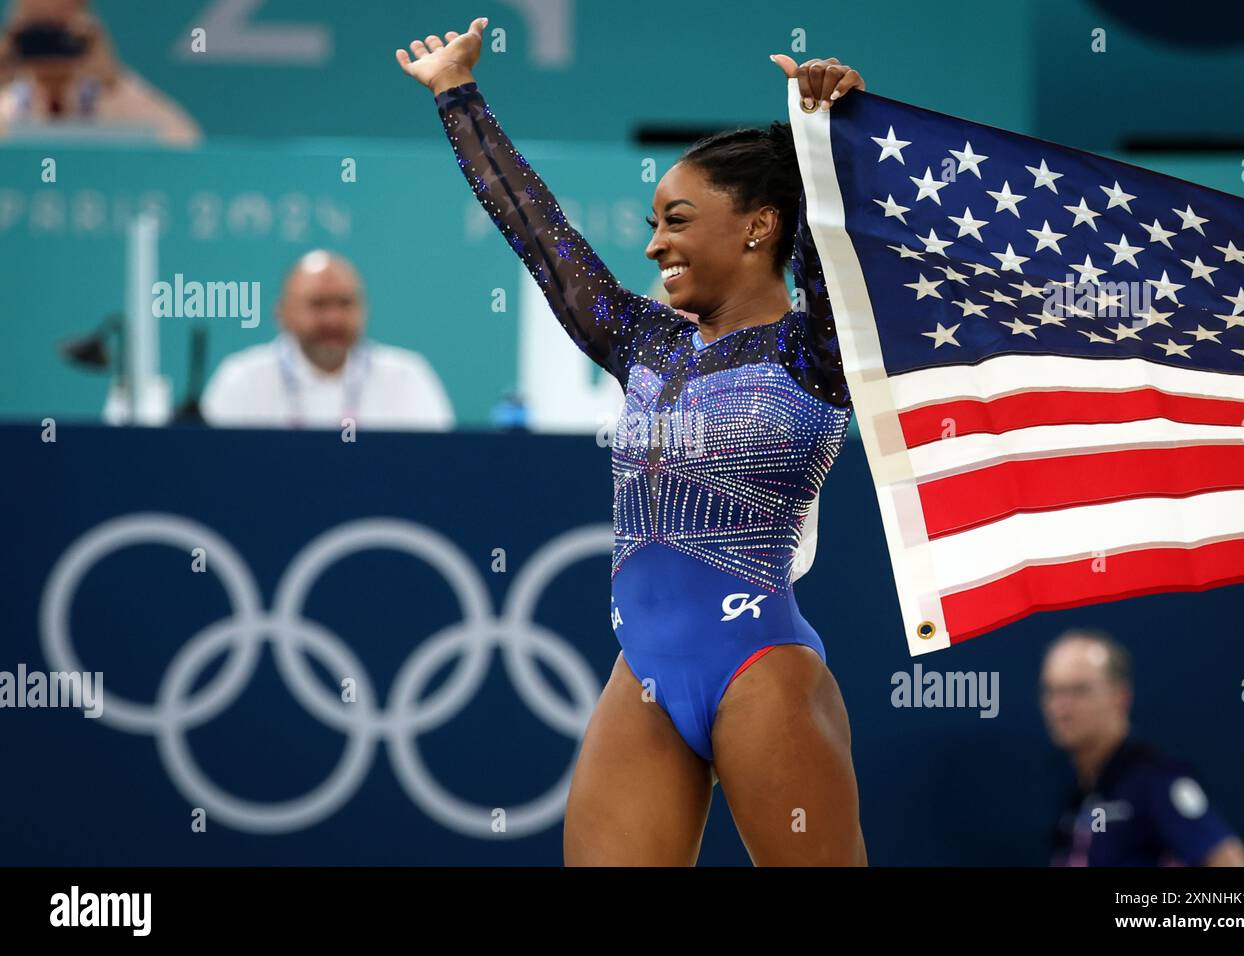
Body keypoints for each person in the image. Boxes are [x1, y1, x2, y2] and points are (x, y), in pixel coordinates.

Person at [397, 17, 867, 865]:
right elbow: (540, 240)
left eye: (677, 219)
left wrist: (827, 131)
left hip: (760, 664)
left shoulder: (818, 351)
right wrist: (457, 95)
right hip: (641, 674)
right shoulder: (644, 342)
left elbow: (838, 244)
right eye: (653, 223)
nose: (655, 244)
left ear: (759, 226)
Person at [1041, 629, 1244, 866]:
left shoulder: (1157, 783)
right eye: (1052, 691)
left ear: (1120, 697)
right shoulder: (1079, 797)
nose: (1061, 709)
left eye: (1079, 691)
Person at [201, 250, 455, 431]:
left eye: (345, 304)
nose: (333, 319)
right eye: (318, 304)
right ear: (282, 314)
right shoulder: (242, 380)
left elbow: (438, 468)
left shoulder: (407, 378)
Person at [0, 0, 200, 145]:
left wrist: (114, 82)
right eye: (36, 33)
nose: (47, 43)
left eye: (58, 31)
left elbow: (185, 144)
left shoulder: (118, 107)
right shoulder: (6, 107)